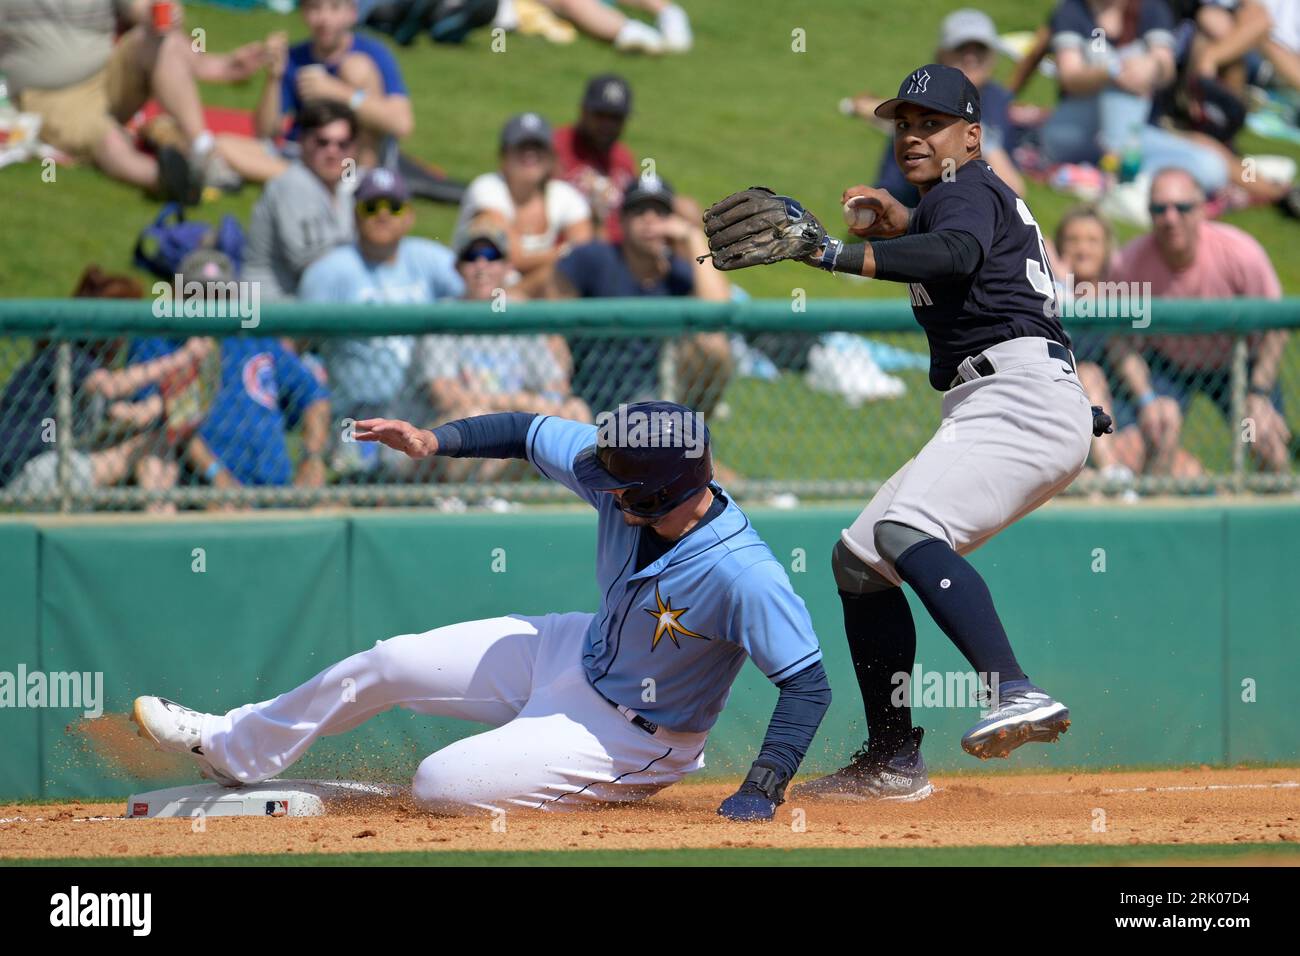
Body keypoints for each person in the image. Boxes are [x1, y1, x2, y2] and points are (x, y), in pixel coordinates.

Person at [703, 64, 1104, 800]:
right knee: (859, 559)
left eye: (932, 123)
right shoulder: (959, 201)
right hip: (1009, 397)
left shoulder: (967, 188)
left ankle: (1013, 687)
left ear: (973, 136)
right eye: (904, 124)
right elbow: (981, 274)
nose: (914, 135)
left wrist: (829, 252)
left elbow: (955, 256)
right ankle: (892, 758)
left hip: (1017, 398)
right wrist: (899, 221)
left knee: (906, 528)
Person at [132, 401, 831, 821]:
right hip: (573, 652)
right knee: (391, 661)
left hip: (634, 739)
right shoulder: (622, 474)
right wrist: (436, 441)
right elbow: (528, 431)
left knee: (440, 784)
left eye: (618, 483)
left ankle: (503, 781)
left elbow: (807, 684)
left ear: (657, 492)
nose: (599, 481)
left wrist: (762, 789)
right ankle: (230, 745)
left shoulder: (745, 575)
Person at [1107, 167, 1290, 475]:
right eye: (1158, 208)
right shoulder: (1128, 263)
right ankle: (1157, 511)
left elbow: (1276, 327)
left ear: (1203, 209)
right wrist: (1146, 397)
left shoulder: (1240, 252)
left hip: (1236, 363)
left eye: (1182, 207)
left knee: (1263, 436)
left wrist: (1258, 394)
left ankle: (1279, 511)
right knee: (1141, 440)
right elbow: (1118, 339)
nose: (1170, 218)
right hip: (1166, 364)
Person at [0, 0, 274, 202]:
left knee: (158, 39)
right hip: (51, 95)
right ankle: (166, 179)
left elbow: (144, 10)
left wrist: (163, 17)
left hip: (107, 74)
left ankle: (203, 151)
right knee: (108, 138)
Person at [298, 168, 464, 476]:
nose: (383, 215)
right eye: (371, 207)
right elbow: (297, 344)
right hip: (356, 414)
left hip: (420, 406)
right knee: (367, 478)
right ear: (355, 215)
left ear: (409, 216)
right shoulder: (330, 271)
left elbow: (479, 294)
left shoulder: (428, 259)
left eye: (394, 207)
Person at [404, 217, 590, 483]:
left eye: (491, 256)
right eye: (471, 257)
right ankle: (458, 497)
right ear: (457, 267)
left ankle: (577, 500)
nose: (482, 266)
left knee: (575, 411)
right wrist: (526, 405)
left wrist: (527, 408)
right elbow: (447, 397)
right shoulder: (443, 316)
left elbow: (555, 387)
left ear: (507, 266)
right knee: (475, 417)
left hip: (507, 425)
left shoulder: (517, 313)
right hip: (439, 450)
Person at [552, 174, 732, 419]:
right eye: (639, 212)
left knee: (713, 346)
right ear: (623, 221)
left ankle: (689, 428)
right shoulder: (595, 259)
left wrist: (693, 237)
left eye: (659, 213)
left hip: (655, 397)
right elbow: (552, 323)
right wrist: (557, 381)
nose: (649, 220)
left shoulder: (677, 275)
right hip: (586, 395)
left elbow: (718, 311)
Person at [1039, 0, 1230, 196]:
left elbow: (1166, 67)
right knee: (1125, 68)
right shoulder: (1072, 11)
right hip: (1074, 131)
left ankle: (1118, 174)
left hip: (1131, 131)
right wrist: (1112, 72)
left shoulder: (1150, 8)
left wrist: (1151, 67)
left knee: (1212, 168)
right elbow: (1070, 78)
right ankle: (1119, 174)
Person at [844, 9, 1026, 202]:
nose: (970, 58)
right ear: (941, 54)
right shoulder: (929, 91)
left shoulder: (999, 100)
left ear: (992, 57)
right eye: (961, 48)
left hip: (969, 212)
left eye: (979, 49)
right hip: (908, 206)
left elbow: (1014, 191)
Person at [456, 112, 594, 296]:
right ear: (503, 156)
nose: (530, 154)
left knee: (562, 279)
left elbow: (584, 254)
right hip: (480, 291)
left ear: (551, 156)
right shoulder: (486, 189)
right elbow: (513, 257)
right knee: (553, 276)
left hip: (525, 293)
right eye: (521, 146)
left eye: (538, 147)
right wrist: (563, 253)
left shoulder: (564, 195)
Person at [244, 101, 358, 302]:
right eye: (322, 142)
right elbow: (311, 264)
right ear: (303, 142)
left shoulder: (343, 188)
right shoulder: (293, 185)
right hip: (272, 310)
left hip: (311, 301)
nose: (333, 152)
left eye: (342, 144)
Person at [553, 74, 641, 243]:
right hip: (567, 251)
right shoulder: (557, 146)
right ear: (583, 111)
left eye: (616, 118)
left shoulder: (624, 158)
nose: (608, 125)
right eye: (601, 115)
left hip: (620, 255)